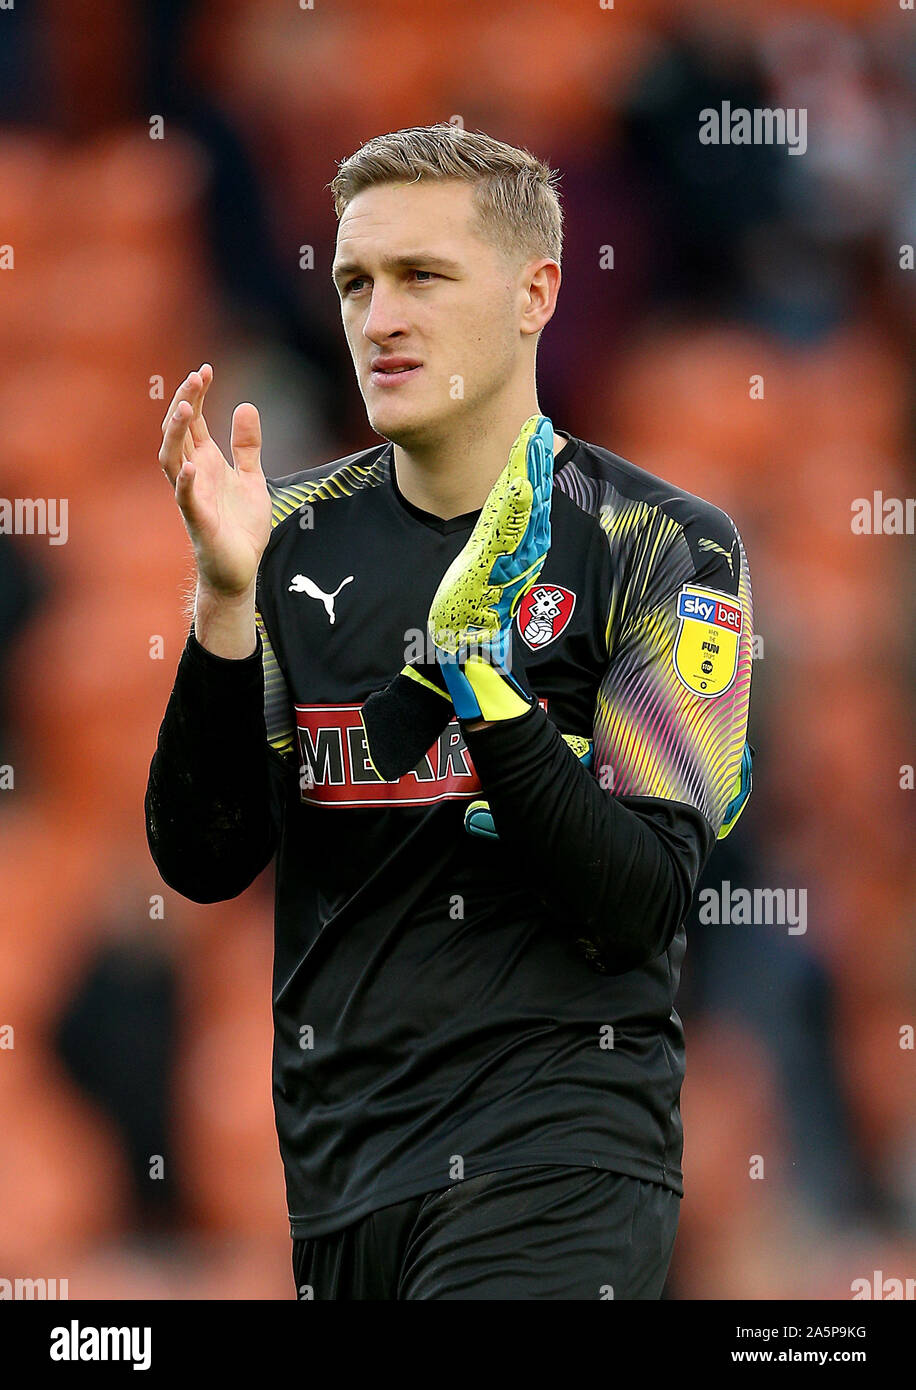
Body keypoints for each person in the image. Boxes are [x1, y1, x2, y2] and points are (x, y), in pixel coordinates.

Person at [146, 123, 753, 1300]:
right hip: (340, 1178)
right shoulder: (290, 540)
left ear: (536, 294)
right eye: (355, 283)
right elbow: (206, 859)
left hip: (561, 1159)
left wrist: (479, 678)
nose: (378, 319)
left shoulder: (662, 546)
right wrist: (224, 599)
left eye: (422, 277)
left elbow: (643, 899)